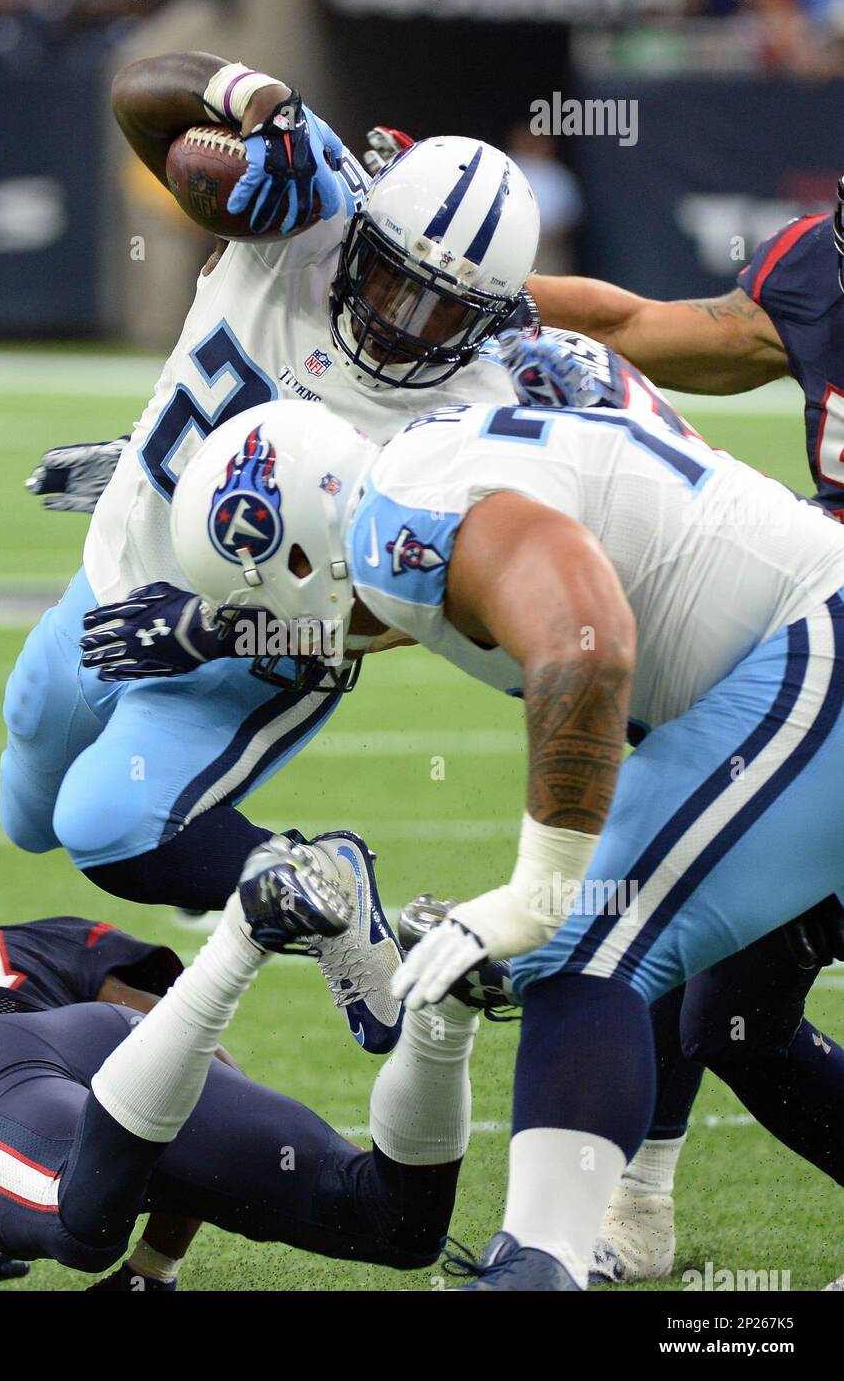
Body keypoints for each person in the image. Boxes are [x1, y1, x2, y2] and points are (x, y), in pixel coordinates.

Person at [168, 394, 844, 1290]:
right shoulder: (411, 481)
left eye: (254, 594)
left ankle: (538, 1263)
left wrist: (540, 888)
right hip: (794, 645)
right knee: (719, 1005)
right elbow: (434, 605)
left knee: (585, 934)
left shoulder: (397, 527)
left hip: (817, 649)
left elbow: (584, 644)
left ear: (293, 549)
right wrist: (212, 630)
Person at [0, 51, 540, 1055]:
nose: (397, 320)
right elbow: (139, 91)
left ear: (490, 322)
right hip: (120, 566)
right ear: (363, 226)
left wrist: (213, 626)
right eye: (390, 280)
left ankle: (332, 889)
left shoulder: (471, 420)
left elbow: (407, 614)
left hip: (253, 649)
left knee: (106, 828)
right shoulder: (313, 203)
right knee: (22, 797)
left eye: (440, 312)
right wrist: (260, 103)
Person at [516, 176, 844, 1280]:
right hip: (821, 663)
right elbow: (629, 329)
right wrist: (453, 275)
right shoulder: (812, 269)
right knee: (722, 1011)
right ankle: (637, 1205)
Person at [0, 861, 489, 1290]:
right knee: (395, 1223)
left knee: (81, 1225)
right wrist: (154, 1267)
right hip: (109, 1040)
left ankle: (240, 937)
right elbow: (192, 1061)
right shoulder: (29, 943)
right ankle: (445, 1009)